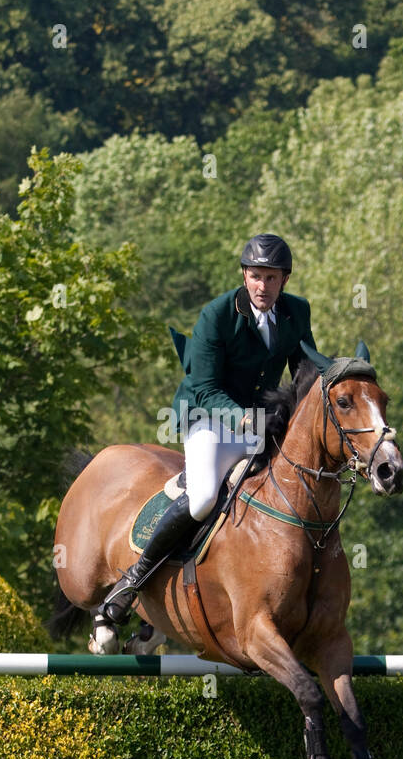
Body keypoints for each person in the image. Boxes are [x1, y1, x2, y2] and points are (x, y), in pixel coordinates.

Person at [99, 233, 317, 625]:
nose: (262, 286)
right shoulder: (217, 315)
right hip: (208, 418)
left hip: (261, 423)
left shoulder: (296, 312)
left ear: (284, 280)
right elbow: (206, 388)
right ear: (244, 276)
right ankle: (135, 577)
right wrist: (246, 418)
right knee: (202, 499)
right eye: (255, 276)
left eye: (270, 278)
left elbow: (304, 371)